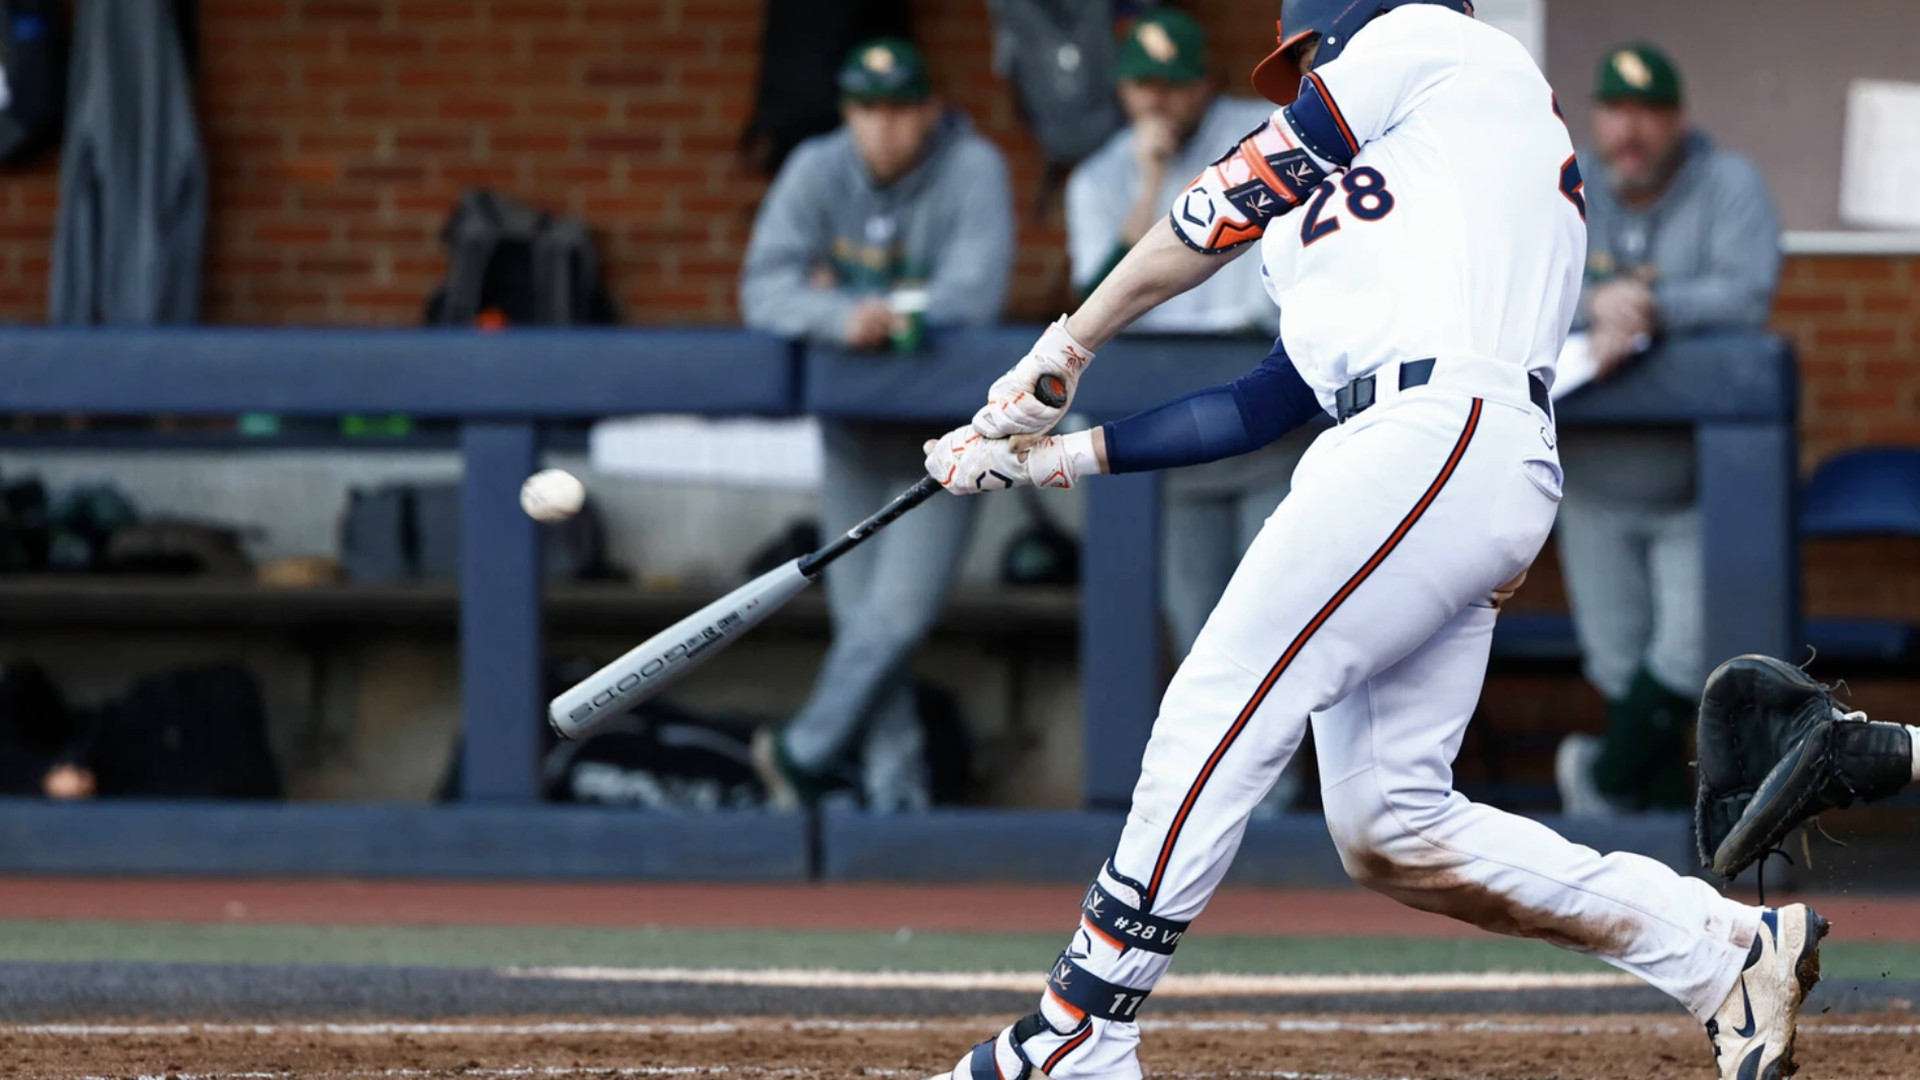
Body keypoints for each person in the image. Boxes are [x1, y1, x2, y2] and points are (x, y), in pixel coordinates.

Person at [920, 4, 1820, 1080]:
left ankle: (1080, 1026)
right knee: (1390, 823)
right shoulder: (1372, 204)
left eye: (1311, 55)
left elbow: (1218, 204)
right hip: (1412, 446)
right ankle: (1721, 951)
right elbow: (1264, 401)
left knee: (1220, 697)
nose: (1303, 76)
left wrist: (1066, 346)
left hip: (1439, 426)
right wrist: (1049, 459)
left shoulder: (1437, 41)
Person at [739, 37, 1014, 812]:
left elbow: (972, 295)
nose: (883, 126)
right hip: (852, 437)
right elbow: (763, 289)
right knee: (861, 625)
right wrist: (838, 315)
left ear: (929, 110)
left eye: (898, 108)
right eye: (867, 109)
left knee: (895, 620)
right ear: (848, 112)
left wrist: (856, 302)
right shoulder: (816, 168)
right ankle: (900, 799)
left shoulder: (973, 167)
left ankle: (801, 752)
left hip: (949, 446)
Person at [1552, 43, 1782, 818]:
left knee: (1687, 661)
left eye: (1649, 112)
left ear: (1678, 118)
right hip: (1593, 482)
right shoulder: (1564, 184)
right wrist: (1596, 303)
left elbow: (1746, 294)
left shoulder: (1728, 182)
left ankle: (1600, 780)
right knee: (1618, 668)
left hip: (1693, 483)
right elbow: (1517, 283)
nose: (1632, 130)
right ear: (1597, 118)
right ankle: (1653, 845)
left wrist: (1651, 306)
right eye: (1617, 111)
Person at [1067, 10, 1315, 725]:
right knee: (1204, 637)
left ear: (1205, 84)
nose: (1157, 101)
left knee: (1281, 632)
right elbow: (1096, 308)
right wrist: (1148, 186)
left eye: (1173, 85)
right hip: (1178, 443)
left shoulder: (1261, 133)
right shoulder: (1101, 177)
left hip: (1275, 430)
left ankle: (1279, 785)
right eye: (1142, 86)